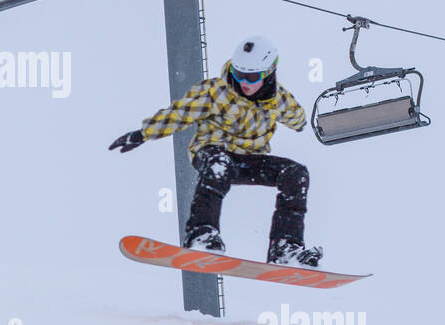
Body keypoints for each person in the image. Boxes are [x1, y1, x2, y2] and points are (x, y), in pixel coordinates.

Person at [109, 35, 323, 266]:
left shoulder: (278, 99)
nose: (244, 83)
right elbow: (179, 114)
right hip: (212, 152)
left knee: (296, 173)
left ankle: (285, 249)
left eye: (251, 77)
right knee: (219, 164)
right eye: (238, 74)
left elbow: (298, 118)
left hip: (249, 160)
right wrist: (143, 134)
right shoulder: (214, 92)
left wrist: (301, 122)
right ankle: (201, 234)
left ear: (269, 72)